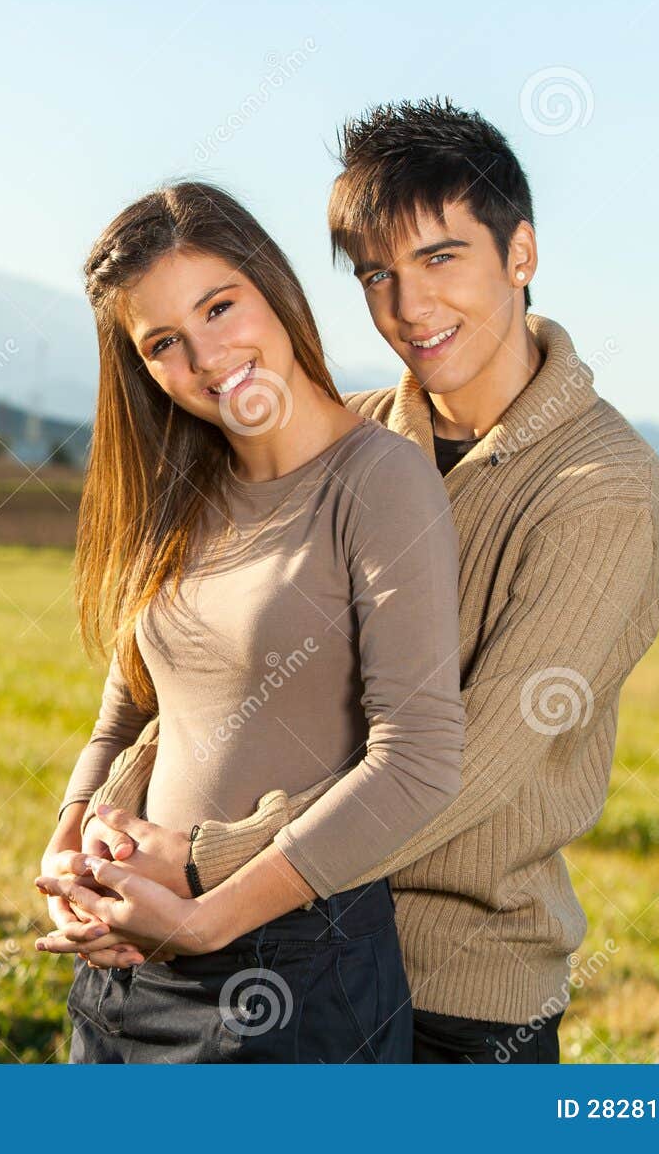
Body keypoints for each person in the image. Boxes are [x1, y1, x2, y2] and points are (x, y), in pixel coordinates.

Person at [43, 99, 659, 1065]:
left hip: (454, 991)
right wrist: (102, 836)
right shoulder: (344, 429)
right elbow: (204, 683)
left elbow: (466, 763)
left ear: (521, 253)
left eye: (441, 258)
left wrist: (204, 862)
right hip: (268, 939)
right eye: (378, 273)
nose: (410, 306)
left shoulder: (602, 487)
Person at [34, 180, 466, 1062]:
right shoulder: (178, 495)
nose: (207, 357)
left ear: (273, 286)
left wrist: (203, 917)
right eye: (164, 343)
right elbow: (125, 716)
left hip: (292, 972)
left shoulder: (381, 481)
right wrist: (69, 851)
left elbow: (418, 761)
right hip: (127, 964)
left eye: (219, 306)